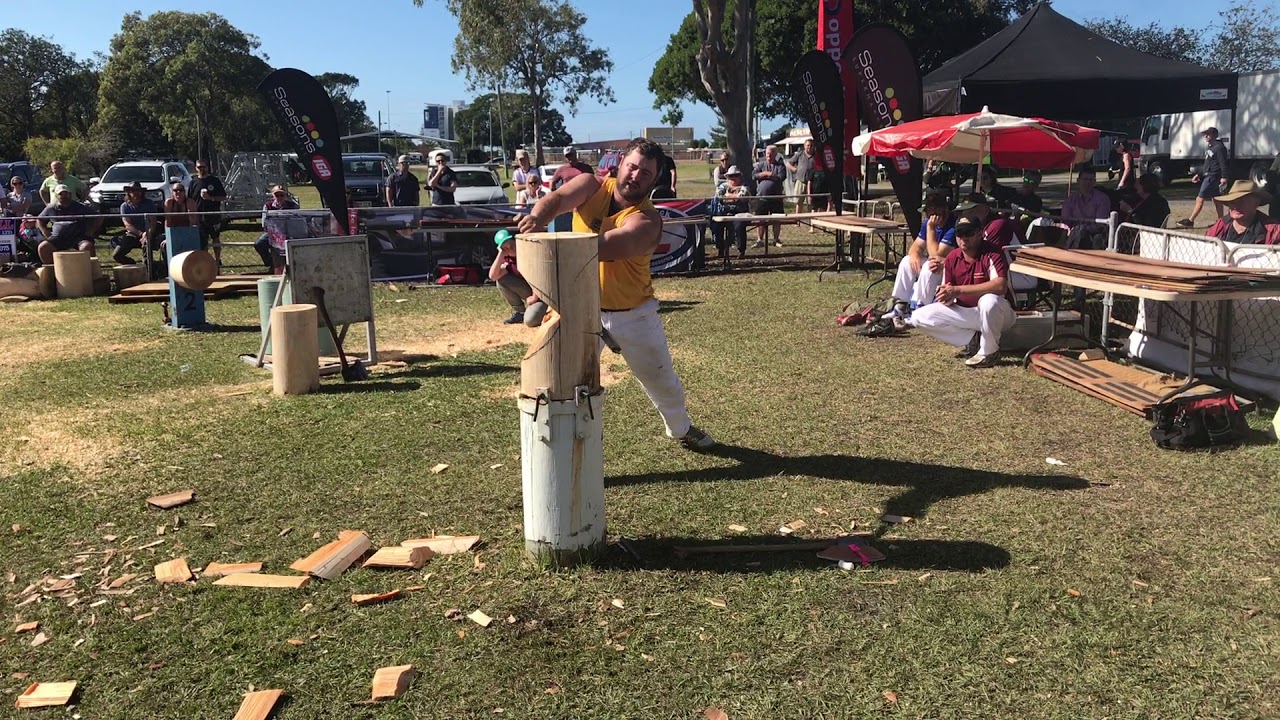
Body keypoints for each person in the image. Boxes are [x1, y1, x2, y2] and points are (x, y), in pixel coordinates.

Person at [515, 137, 715, 449]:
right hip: (579, 307)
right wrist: (538, 218)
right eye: (632, 166)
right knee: (564, 380)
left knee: (662, 382)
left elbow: (600, 248)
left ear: (654, 180)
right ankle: (567, 446)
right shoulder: (590, 184)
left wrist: (547, 254)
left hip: (633, 315)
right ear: (620, 164)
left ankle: (680, 428)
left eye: (645, 173)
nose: (635, 175)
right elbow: (557, 199)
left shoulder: (648, 220)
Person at [908, 217, 1017, 368]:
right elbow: (947, 293)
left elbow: (1000, 285)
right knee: (918, 317)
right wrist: (944, 295)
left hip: (1000, 313)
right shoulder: (953, 257)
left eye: (969, 233)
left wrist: (958, 290)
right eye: (959, 233)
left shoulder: (992, 252)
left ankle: (989, 351)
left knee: (989, 301)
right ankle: (973, 340)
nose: (964, 238)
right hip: (967, 312)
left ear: (979, 234)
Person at [880, 193, 957, 325]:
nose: (930, 214)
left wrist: (931, 229)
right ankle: (901, 306)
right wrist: (915, 255)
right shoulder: (928, 223)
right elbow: (915, 246)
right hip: (937, 266)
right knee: (906, 261)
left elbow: (935, 255)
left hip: (949, 270)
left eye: (934, 209)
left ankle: (921, 309)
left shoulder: (952, 225)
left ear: (944, 209)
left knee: (929, 266)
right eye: (928, 210)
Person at [1179, 127, 1231, 228]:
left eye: (1208, 134)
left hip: (1213, 177)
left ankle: (1190, 221)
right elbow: (1207, 164)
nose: (1206, 136)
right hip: (1208, 176)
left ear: (1215, 135)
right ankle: (1221, 222)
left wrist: (1224, 177)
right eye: (1205, 134)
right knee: (1217, 200)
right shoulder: (1210, 147)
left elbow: (1223, 163)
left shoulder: (1219, 147)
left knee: (1200, 198)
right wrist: (1199, 175)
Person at [36, 184, 100, 264]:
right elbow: (39, 219)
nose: (64, 196)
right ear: (56, 196)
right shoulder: (51, 208)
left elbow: (98, 217)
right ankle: (53, 272)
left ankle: (90, 272)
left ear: (70, 194)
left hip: (78, 238)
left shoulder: (80, 207)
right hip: (57, 238)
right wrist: (45, 231)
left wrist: (91, 231)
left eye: (66, 193)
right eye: (61, 194)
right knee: (43, 247)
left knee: (87, 246)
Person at [489, 228, 541, 324]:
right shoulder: (507, 259)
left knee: (531, 321)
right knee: (501, 280)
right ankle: (520, 312)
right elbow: (493, 276)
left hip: (541, 294)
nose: (510, 248)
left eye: (511, 244)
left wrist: (534, 297)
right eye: (505, 247)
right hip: (529, 292)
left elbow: (540, 276)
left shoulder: (530, 253)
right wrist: (501, 254)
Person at [1205, 181, 1280, 245]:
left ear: (1256, 203)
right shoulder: (1221, 225)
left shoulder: (1273, 230)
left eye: (1241, 202)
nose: (1235, 206)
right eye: (1232, 202)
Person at [188, 159, 227, 265]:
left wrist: (211, 198)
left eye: (203, 167)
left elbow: (223, 197)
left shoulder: (214, 181)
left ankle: (217, 260)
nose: (202, 169)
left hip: (213, 215)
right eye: (199, 167)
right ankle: (205, 261)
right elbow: (190, 200)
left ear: (207, 167)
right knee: (202, 241)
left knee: (215, 238)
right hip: (199, 216)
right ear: (196, 169)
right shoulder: (193, 182)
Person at [1062, 169, 1112, 249]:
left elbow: (1100, 224)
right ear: (1078, 180)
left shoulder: (1102, 199)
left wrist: (1082, 229)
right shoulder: (1070, 200)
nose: (1088, 182)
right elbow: (1065, 221)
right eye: (1085, 179)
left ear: (1094, 181)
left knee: (1089, 236)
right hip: (1073, 233)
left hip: (1094, 234)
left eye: (1091, 180)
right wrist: (1073, 230)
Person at [254, 185, 300, 271]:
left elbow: (297, 222)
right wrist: (273, 234)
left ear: (286, 195)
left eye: (281, 195)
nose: (279, 197)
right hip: (273, 233)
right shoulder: (267, 206)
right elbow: (264, 224)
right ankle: (270, 262)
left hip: (289, 233)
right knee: (259, 243)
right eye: (277, 195)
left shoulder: (293, 205)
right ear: (273, 196)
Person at [113, 181, 159, 265]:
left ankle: (150, 271)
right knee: (117, 255)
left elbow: (153, 221)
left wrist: (148, 233)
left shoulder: (149, 203)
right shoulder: (124, 206)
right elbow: (127, 224)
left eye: (137, 190)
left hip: (148, 233)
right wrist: (140, 234)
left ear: (141, 192)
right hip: (133, 234)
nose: (135, 193)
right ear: (128, 193)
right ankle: (133, 265)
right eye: (132, 191)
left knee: (147, 246)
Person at [957, 192, 1024, 249]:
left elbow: (982, 255)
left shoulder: (997, 226)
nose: (968, 217)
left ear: (985, 210)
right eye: (964, 213)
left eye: (971, 212)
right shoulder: (974, 228)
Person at [711, 165, 752, 258]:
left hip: (740, 213)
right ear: (727, 177)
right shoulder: (722, 186)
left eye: (736, 175)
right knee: (717, 225)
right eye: (730, 176)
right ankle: (720, 249)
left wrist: (728, 196)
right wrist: (734, 197)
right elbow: (720, 197)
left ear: (739, 177)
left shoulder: (744, 186)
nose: (733, 178)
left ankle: (741, 250)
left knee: (739, 225)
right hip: (723, 213)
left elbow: (742, 197)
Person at [751, 144, 787, 248]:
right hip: (762, 197)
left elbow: (781, 177)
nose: (768, 155)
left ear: (775, 154)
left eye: (771, 153)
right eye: (767, 153)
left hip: (776, 198)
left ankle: (776, 239)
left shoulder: (780, 166)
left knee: (776, 219)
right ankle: (759, 240)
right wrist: (765, 173)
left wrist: (768, 175)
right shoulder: (760, 165)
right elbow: (754, 176)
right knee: (760, 219)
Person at [786, 139, 816, 216]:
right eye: (808, 145)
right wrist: (794, 169)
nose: (809, 147)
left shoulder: (816, 156)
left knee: (811, 202)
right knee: (798, 202)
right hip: (800, 181)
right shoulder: (799, 155)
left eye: (811, 145)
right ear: (804, 146)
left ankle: (811, 221)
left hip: (812, 182)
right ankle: (797, 220)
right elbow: (788, 163)